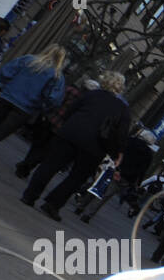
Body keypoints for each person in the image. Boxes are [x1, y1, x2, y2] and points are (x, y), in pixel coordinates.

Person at [21, 70, 130, 222]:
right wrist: (119, 153)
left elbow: (69, 111)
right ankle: (53, 203)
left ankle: (30, 195)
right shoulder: (122, 109)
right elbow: (121, 134)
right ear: (120, 88)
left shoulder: (91, 95)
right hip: (95, 146)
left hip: (70, 133)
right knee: (76, 177)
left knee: (50, 165)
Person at [0, 43, 65, 165]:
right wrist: (42, 107)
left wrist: (5, 85)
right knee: (3, 131)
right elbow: (54, 99)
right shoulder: (57, 76)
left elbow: (4, 72)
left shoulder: (28, 59)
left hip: (7, 97)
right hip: (25, 107)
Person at [75, 128, 156, 221]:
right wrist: (137, 183)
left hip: (113, 167)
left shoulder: (128, 140)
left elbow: (116, 150)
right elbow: (142, 170)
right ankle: (88, 215)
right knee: (106, 195)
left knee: (97, 187)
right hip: (125, 177)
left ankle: (81, 207)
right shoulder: (148, 154)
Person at [14, 78, 84, 179]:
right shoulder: (84, 101)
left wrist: (46, 112)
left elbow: (56, 101)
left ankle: (25, 164)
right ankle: (27, 165)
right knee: (46, 151)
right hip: (62, 127)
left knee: (37, 145)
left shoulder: (69, 90)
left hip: (51, 119)